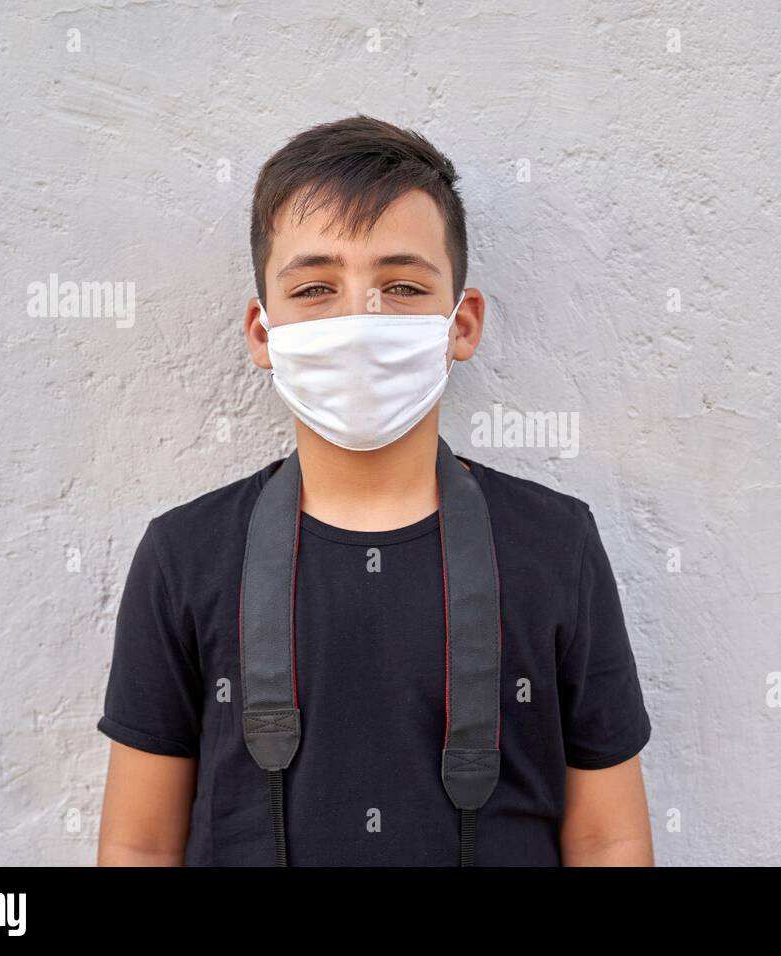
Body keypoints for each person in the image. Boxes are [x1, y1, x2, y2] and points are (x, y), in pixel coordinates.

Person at [95, 115, 653, 866]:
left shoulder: (556, 544)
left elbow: (608, 837)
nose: (361, 318)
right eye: (317, 287)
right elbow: (138, 843)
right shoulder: (184, 554)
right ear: (263, 334)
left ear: (463, 324)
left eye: (402, 286)